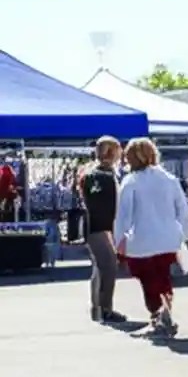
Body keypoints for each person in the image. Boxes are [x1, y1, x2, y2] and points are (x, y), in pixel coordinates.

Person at [114, 138, 188, 338]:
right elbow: (182, 210)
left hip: (143, 240)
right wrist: (185, 234)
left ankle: (158, 317)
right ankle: (165, 314)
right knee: (163, 278)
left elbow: (123, 216)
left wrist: (119, 240)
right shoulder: (169, 179)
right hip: (169, 239)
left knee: (148, 280)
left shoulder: (131, 182)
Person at [81, 137, 128, 324]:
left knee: (99, 268)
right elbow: (110, 207)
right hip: (100, 226)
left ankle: (97, 307)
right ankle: (105, 309)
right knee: (108, 266)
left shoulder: (91, 173)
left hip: (93, 225)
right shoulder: (104, 176)